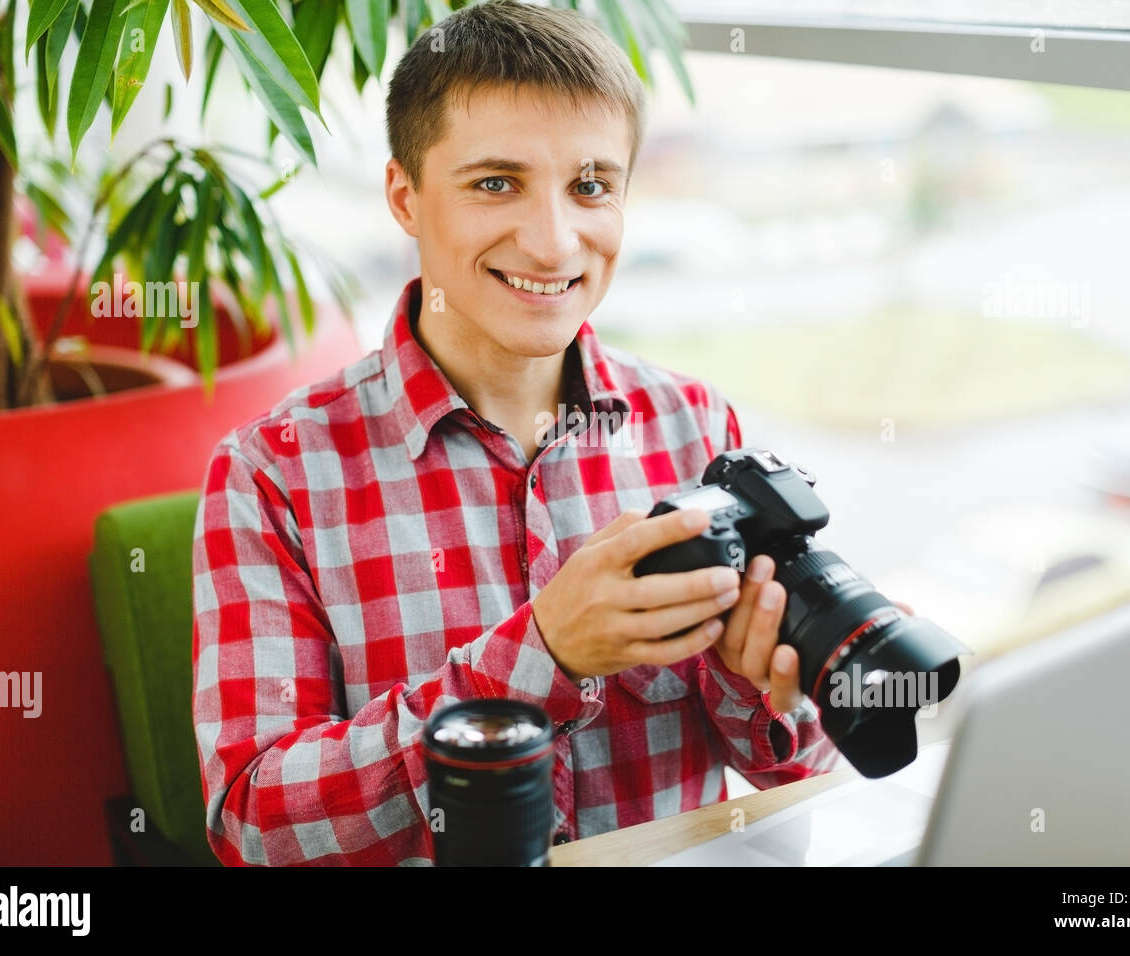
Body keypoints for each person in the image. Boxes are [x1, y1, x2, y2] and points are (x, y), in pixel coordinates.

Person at [191, 0, 839, 866]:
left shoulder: (694, 425)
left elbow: (796, 770)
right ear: (405, 197)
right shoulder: (270, 475)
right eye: (495, 182)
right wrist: (543, 652)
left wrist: (766, 685)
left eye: (591, 186)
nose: (552, 241)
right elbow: (255, 824)